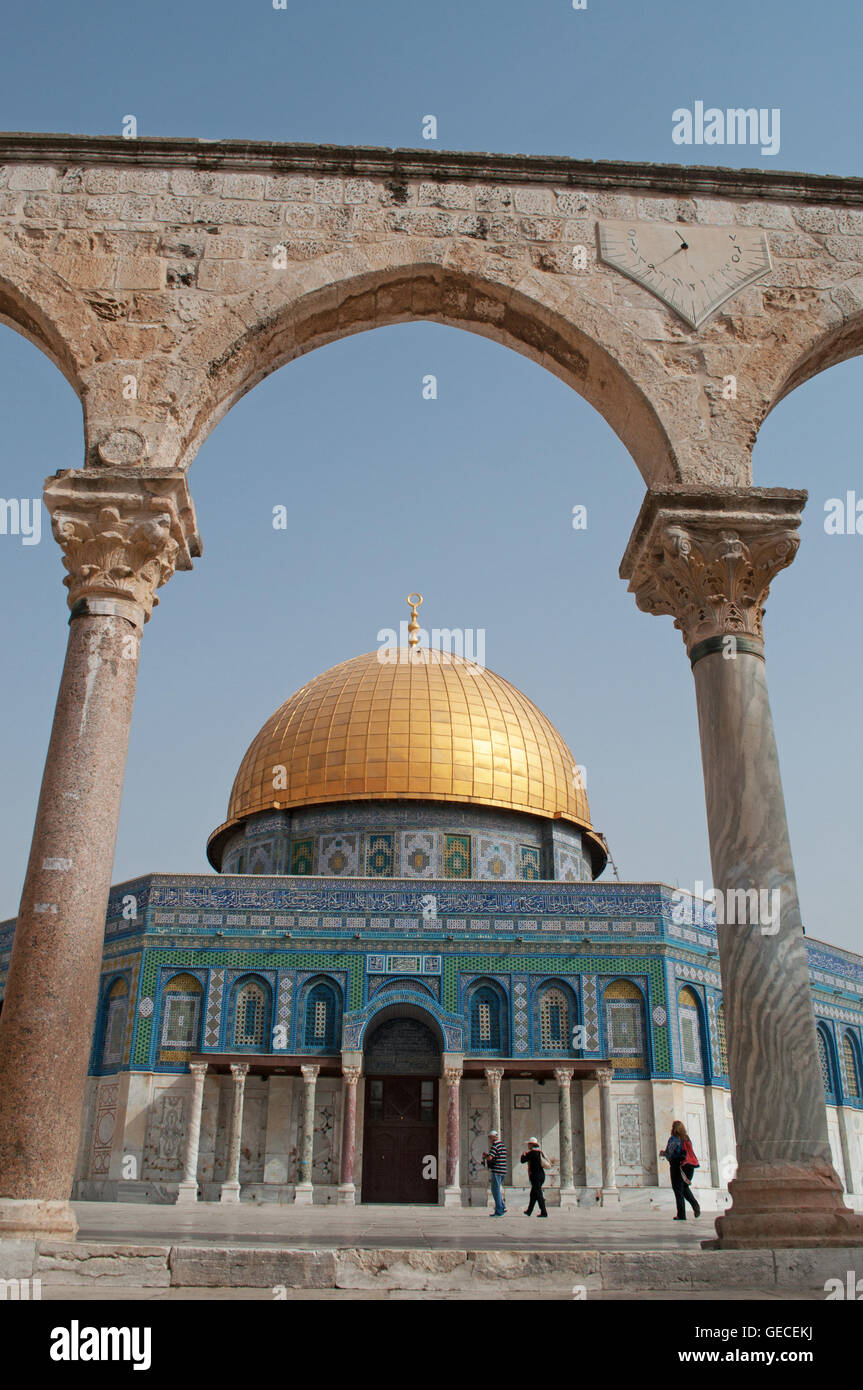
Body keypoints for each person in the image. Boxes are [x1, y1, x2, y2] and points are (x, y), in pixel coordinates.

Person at [660, 1119, 701, 1220]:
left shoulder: (673, 1139)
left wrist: (663, 1153)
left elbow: (670, 1154)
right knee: (685, 1187)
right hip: (690, 1166)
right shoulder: (687, 1139)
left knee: (678, 1189)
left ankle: (681, 1214)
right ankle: (695, 1205)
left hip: (678, 1166)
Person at [520, 1136, 549, 1217]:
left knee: (538, 1194)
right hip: (541, 1175)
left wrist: (523, 1155)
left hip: (535, 1176)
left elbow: (522, 1161)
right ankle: (529, 1211)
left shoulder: (531, 1153)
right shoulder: (540, 1152)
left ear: (531, 1145)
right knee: (533, 1194)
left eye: (529, 1144)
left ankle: (544, 1211)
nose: (528, 1146)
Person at [481, 1129, 507, 1216]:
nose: (489, 1139)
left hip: (497, 1170)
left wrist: (485, 1156)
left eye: (490, 1138)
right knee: (497, 1190)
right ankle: (502, 1207)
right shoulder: (502, 1145)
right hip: (503, 1170)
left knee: (495, 1190)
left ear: (492, 1137)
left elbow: (490, 1158)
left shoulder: (495, 1146)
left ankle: (499, 1210)